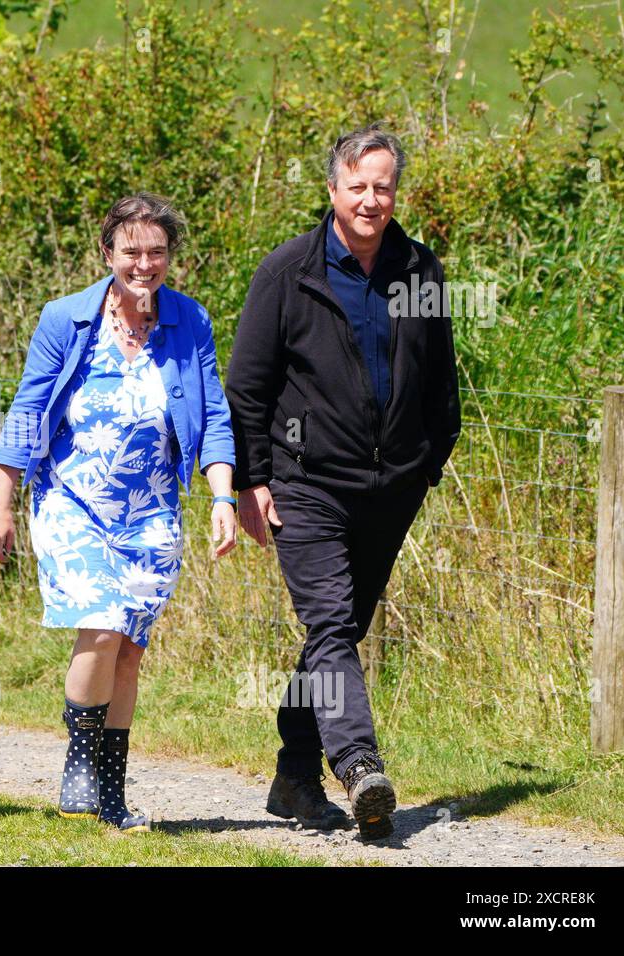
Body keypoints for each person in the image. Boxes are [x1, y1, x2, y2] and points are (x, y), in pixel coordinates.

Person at [226, 125, 461, 839]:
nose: (370, 199)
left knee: (342, 629)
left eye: (382, 187)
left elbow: (440, 380)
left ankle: (296, 775)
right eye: (357, 185)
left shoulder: (419, 271)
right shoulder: (289, 272)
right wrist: (250, 481)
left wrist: (429, 463)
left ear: (396, 193)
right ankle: (359, 766)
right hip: (305, 482)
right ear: (332, 190)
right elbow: (247, 387)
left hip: (392, 486)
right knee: (330, 625)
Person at [0, 193, 238, 832]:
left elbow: (212, 417)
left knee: (128, 649)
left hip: (151, 512)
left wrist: (222, 496)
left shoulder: (189, 322)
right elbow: (26, 412)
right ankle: (80, 759)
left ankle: (111, 794)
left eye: (156, 252)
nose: (144, 264)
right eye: (132, 251)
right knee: (98, 621)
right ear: (108, 254)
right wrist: (1, 500)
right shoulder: (66, 319)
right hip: (72, 499)